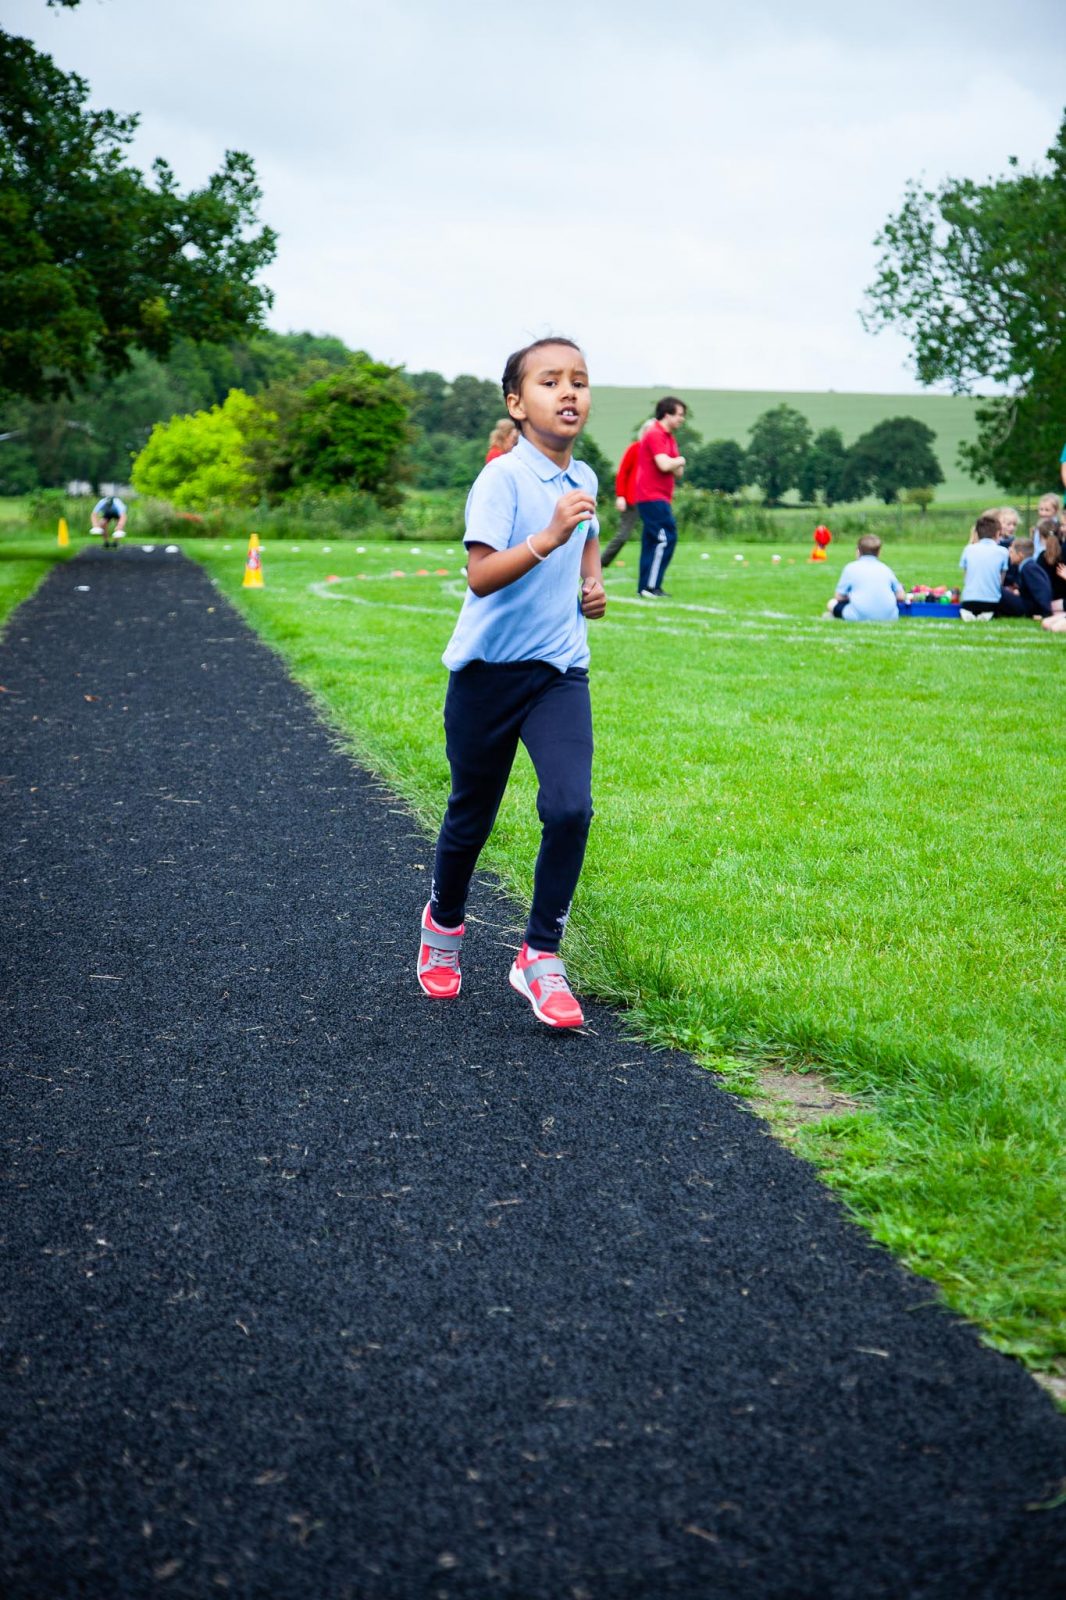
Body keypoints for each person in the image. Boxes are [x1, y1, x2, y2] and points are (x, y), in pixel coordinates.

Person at [417, 337, 606, 1030]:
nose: (569, 392)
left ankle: (539, 955)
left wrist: (591, 579)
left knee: (569, 808)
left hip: (558, 673)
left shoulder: (581, 476)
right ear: (516, 403)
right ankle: (444, 923)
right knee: (473, 813)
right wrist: (550, 540)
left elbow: (586, 533)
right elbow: (481, 574)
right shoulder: (501, 478)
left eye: (580, 381)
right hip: (486, 676)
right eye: (551, 380)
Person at [634, 396, 686, 597]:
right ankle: (651, 587)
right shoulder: (655, 433)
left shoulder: (669, 437)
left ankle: (644, 587)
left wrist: (676, 462)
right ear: (667, 414)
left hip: (660, 497)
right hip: (651, 496)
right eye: (680, 415)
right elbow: (665, 465)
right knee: (666, 538)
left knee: (652, 541)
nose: (682, 419)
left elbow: (677, 472)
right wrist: (680, 460)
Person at [601, 420, 654, 568]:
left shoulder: (658, 454)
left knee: (654, 534)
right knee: (623, 535)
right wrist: (620, 496)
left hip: (650, 500)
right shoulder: (635, 448)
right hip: (632, 500)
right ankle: (601, 562)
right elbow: (623, 473)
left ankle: (650, 565)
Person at [825, 533, 906, 620]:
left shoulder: (850, 568)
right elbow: (901, 596)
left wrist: (851, 596)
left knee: (831, 603)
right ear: (879, 552)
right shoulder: (886, 568)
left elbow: (839, 597)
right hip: (890, 616)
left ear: (858, 551)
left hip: (858, 616)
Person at [959, 513, 1009, 618]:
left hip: (968, 600)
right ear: (998, 533)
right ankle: (987, 613)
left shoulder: (968, 549)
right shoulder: (1003, 552)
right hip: (992, 601)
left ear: (976, 533)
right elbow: (1001, 580)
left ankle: (968, 613)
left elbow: (965, 577)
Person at [998, 538, 1054, 618]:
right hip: (1028, 605)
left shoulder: (1029, 568)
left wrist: (1046, 612)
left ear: (1020, 555)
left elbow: (1042, 589)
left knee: (999, 591)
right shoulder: (1027, 567)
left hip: (1030, 608)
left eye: (1012, 552)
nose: (1009, 555)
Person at [1031, 493, 1061, 558]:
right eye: (1041, 509)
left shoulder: (1058, 527)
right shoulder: (1039, 525)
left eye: (1047, 510)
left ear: (1056, 511)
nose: (1043, 513)